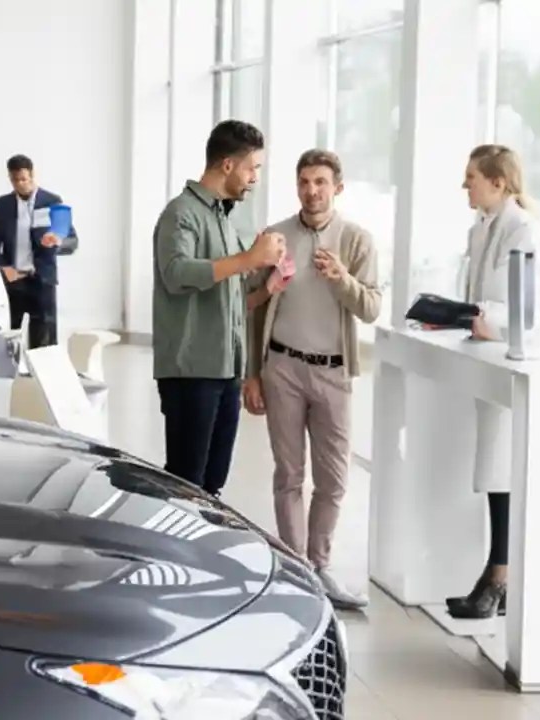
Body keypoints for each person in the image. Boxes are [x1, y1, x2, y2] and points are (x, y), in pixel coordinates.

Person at [243, 149, 381, 610]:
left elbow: (372, 307)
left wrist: (341, 278)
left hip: (333, 371)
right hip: (281, 367)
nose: (311, 190)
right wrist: (253, 373)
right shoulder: (275, 237)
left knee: (334, 479)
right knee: (288, 473)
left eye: (321, 182)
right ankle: (295, 567)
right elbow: (254, 305)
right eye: (304, 181)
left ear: (337, 187)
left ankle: (320, 566)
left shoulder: (357, 240)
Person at [446, 144, 540, 620]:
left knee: (503, 474)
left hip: (516, 360)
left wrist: (485, 318)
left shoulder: (523, 230)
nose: (465, 184)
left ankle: (499, 579)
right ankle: (496, 575)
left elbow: (528, 311)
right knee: (494, 473)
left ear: (498, 182)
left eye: (471, 176)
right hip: (490, 360)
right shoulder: (482, 229)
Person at [152, 120, 284, 498]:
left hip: (226, 372)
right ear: (227, 165)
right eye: (251, 167)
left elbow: (229, 297)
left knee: (212, 486)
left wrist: (265, 282)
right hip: (192, 372)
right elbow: (176, 273)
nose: (254, 178)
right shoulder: (181, 213)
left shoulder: (224, 219)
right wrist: (247, 258)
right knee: (185, 485)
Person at [0, 155, 79, 348]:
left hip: (42, 279)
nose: (20, 184)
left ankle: (42, 374)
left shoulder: (52, 201)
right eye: (15, 180)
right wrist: (4, 269)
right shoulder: (3, 205)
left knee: (44, 337)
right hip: (14, 279)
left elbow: (72, 240)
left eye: (24, 179)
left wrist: (57, 241)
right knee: (12, 334)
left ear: (33, 175)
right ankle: (13, 374)